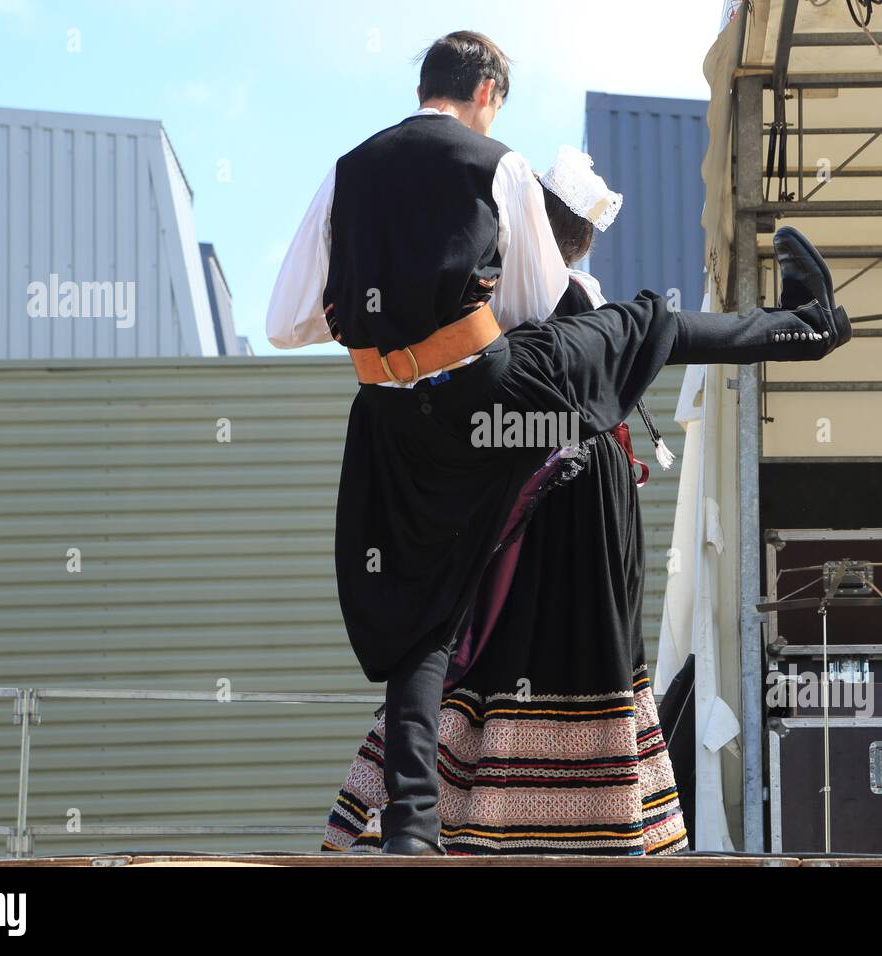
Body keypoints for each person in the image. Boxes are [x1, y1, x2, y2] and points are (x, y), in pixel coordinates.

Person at [266, 30, 850, 855]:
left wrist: (386, 323)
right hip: (486, 389)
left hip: (389, 417)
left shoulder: (346, 171)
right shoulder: (495, 163)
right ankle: (807, 327)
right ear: (488, 93)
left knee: (421, 620)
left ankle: (411, 830)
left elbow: (286, 321)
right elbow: (541, 307)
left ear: (424, 85)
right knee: (643, 322)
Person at [321, 147, 688, 856]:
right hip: (591, 500)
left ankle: (459, 816)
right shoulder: (591, 310)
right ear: (583, 239)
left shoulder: (500, 310)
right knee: (580, 645)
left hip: (521, 492)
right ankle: (589, 823)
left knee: (480, 640)